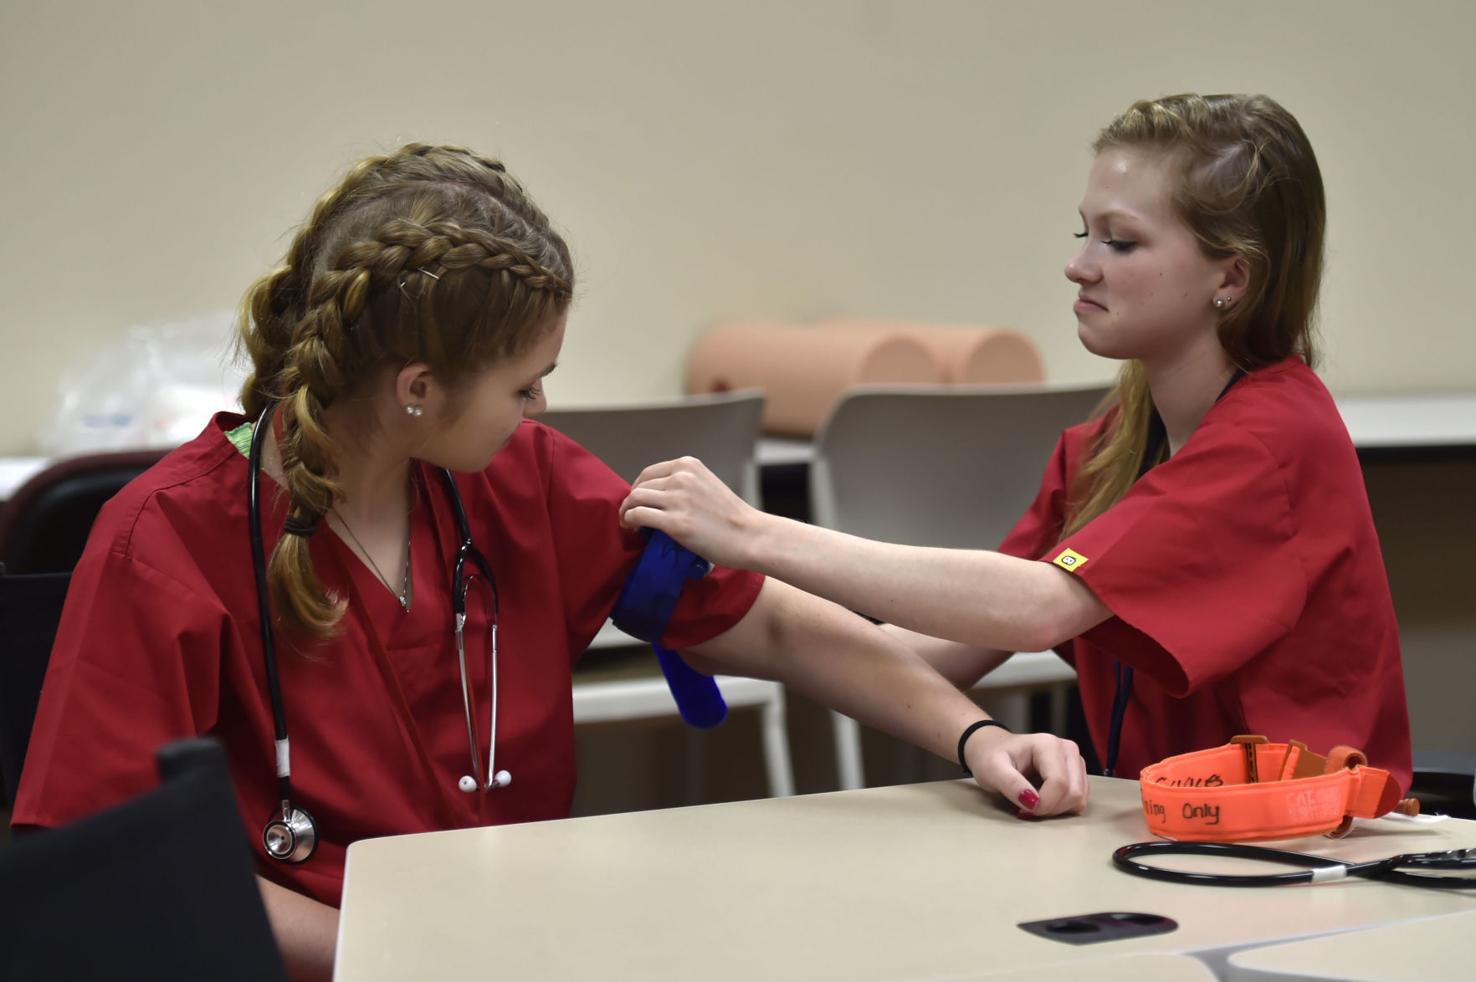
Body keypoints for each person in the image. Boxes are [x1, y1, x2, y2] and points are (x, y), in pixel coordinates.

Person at [11, 144, 1086, 981]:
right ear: (418, 387)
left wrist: (974, 733)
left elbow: (768, 623)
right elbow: (119, 863)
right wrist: (399, 959)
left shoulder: (518, 480)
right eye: (525, 383)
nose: (543, 408)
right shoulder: (170, 539)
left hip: (513, 952)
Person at [621, 94, 1412, 795]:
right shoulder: (1108, 446)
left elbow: (1034, 609)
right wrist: (731, 632)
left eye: (1120, 242)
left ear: (1231, 277)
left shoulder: (1273, 440)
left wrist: (751, 534)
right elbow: (954, 643)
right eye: (1083, 233)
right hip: (1170, 834)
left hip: (1301, 850)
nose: (1078, 265)